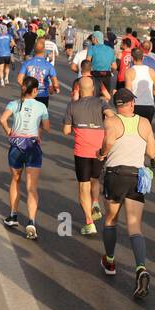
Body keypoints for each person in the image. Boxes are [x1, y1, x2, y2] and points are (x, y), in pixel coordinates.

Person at [96, 87, 155, 298]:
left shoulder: (111, 122)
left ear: (117, 105)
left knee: (111, 220)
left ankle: (110, 261)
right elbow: (152, 152)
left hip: (115, 174)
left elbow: (108, 143)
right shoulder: (144, 123)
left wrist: (102, 154)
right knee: (134, 226)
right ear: (131, 103)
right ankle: (141, 267)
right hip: (136, 176)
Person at [0, 76, 50, 239]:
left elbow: (2, 119)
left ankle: (13, 216)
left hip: (16, 146)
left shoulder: (14, 104)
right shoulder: (41, 106)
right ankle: (31, 222)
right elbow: (47, 127)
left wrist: (8, 131)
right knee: (31, 187)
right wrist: (38, 130)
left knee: (15, 180)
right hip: (32, 146)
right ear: (35, 90)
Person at [62, 75, 109, 237]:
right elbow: (110, 115)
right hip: (99, 150)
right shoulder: (102, 102)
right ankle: (95, 202)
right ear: (94, 89)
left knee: (83, 185)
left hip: (81, 151)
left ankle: (89, 223)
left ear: (79, 90)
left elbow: (66, 131)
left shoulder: (72, 106)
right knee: (95, 179)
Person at [19, 42, 60, 117]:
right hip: (43, 96)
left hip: (29, 94)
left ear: (34, 50)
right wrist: (54, 89)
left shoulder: (27, 63)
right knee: (40, 119)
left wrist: (26, 90)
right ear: (44, 50)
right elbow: (55, 83)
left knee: (28, 117)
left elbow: (19, 80)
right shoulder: (49, 65)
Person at [123, 46, 155, 123]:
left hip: (135, 105)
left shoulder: (129, 71)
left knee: (134, 130)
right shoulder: (151, 71)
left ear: (132, 58)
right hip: (149, 106)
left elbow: (128, 92)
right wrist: (148, 93)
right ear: (143, 58)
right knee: (145, 130)